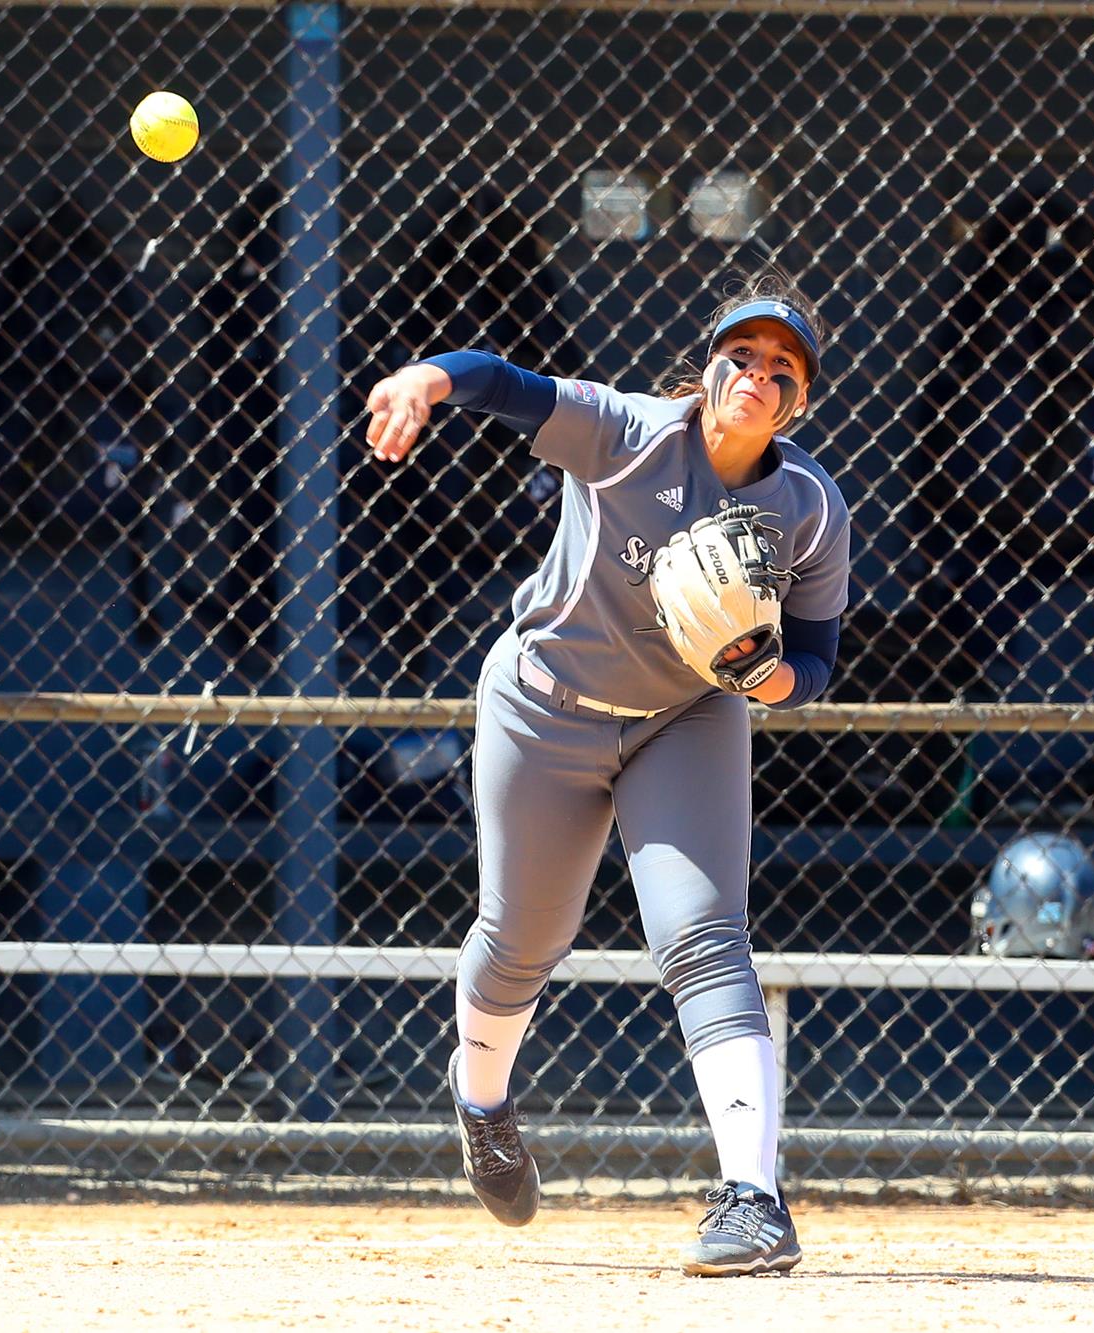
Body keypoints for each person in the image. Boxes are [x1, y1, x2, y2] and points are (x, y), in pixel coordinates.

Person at [363, 274, 853, 1277]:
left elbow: (814, 660)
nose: (754, 376)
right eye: (739, 355)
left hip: (685, 714)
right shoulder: (628, 431)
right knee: (522, 936)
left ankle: (752, 1201)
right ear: (704, 369)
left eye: (780, 369)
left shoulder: (807, 506)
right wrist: (426, 380)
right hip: (544, 703)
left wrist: (766, 680)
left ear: (798, 402)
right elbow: (503, 382)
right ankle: (483, 1102)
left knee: (703, 933)